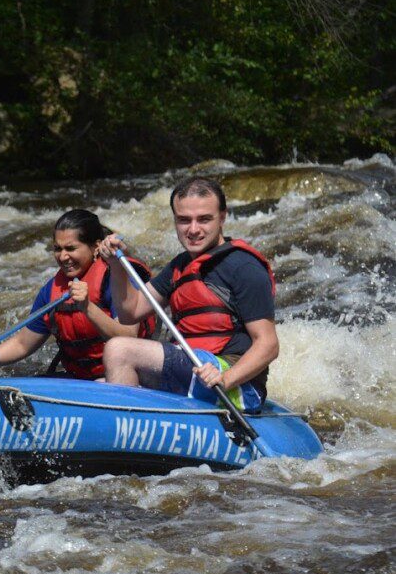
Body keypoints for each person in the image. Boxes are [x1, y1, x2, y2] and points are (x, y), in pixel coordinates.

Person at [97, 176, 277, 410]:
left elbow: (269, 344)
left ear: (222, 217)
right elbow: (132, 311)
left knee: (119, 350)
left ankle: (126, 436)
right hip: (194, 369)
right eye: (184, 220)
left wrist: (225, 379)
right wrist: (116, 267)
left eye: (204, 219)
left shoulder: (244, 268)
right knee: (101, 385)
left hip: (236, 385)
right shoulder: (180, 266)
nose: (193, 230)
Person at [0, 209, 155, 379]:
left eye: (71, 248)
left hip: (126, 377)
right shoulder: (52, 290)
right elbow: (22, 344)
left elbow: (128, 337)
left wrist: (87, 307)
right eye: (58, 249)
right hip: (79, 380)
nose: (63, 257)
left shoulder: (116, 278)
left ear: (95, 247)